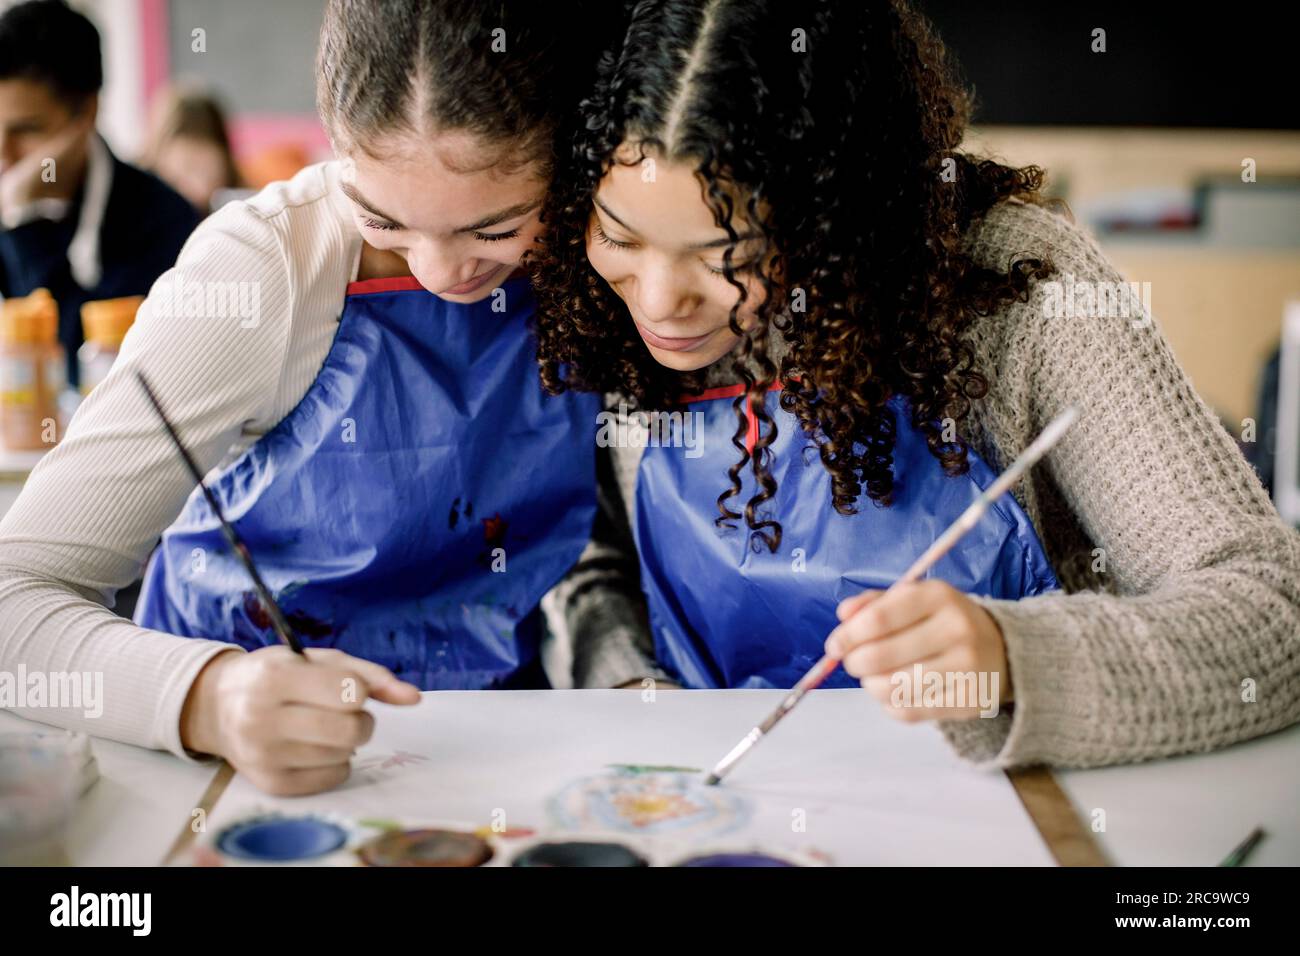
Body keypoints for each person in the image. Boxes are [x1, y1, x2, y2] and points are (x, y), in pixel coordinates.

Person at [534, 0, 1300, 767]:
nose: (661, 301)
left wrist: (1014, 659)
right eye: (620, 235)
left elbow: (1274, 610)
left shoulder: (1022, 288)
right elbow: (588, 563)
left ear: (834, 214)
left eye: (726, 256)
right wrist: (633, 687)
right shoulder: (596, 308)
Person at [0, 0, 621, 796]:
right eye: (383, 219)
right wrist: (208, 697)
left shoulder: (614, 253)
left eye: (494, 231)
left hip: (497, 751)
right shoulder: (261, 269)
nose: (438, 272)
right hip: (239, 763)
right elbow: (17, 598)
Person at [0, 0, 198, 388]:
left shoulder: (161, 221)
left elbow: (86, 375)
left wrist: (24, 222)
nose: (3, 154)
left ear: (86, 113)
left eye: (26, 130)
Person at [139, 83, 242, 215]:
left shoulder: (238, 205)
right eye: (190, 168)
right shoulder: (139, 206)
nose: (201, 189)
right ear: (158, 159)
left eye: (209, 174)